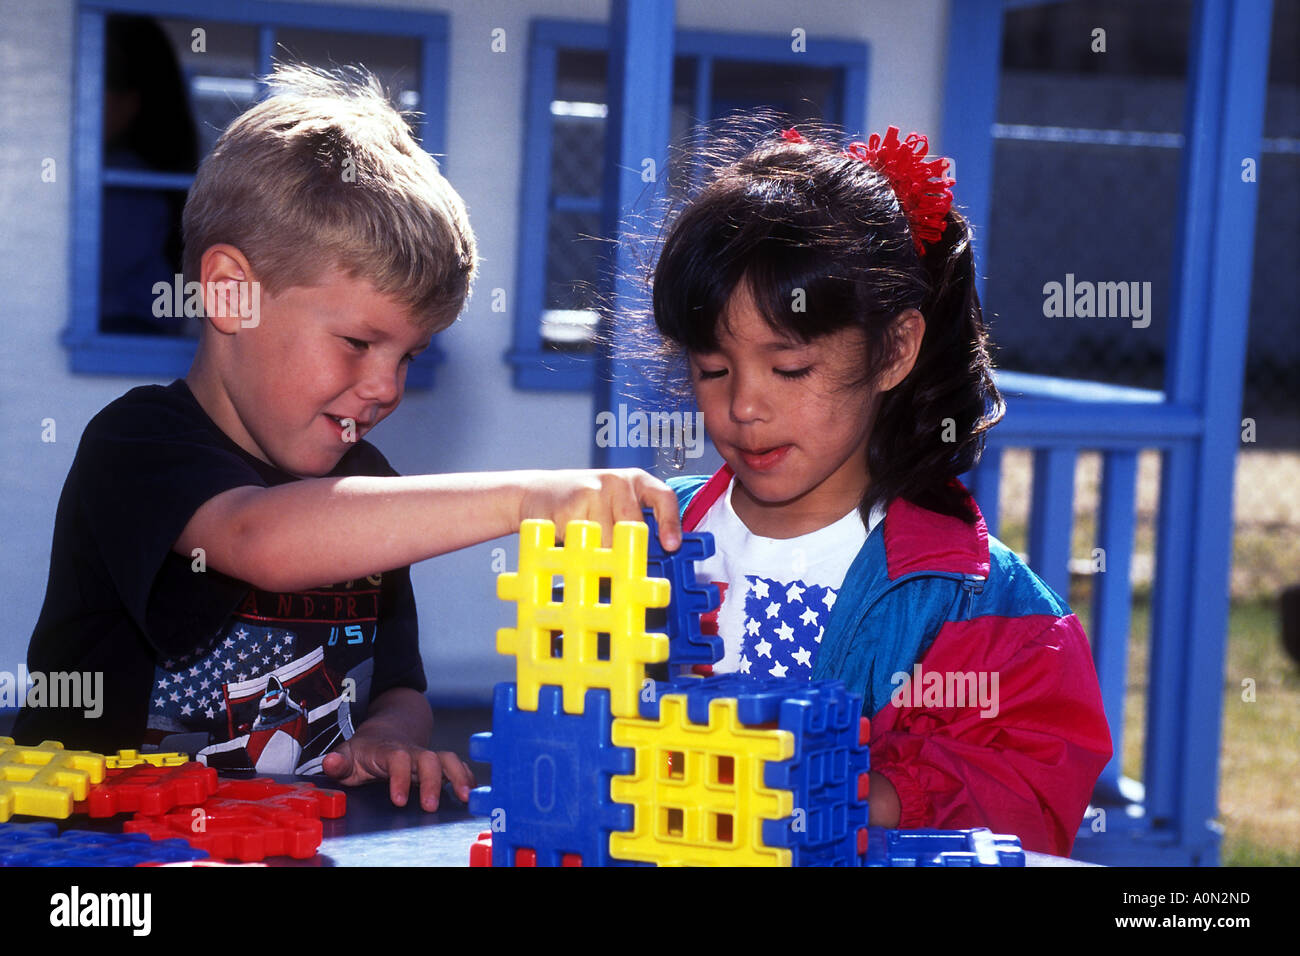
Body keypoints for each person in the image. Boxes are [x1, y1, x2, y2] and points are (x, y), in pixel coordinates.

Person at [16, 64, 681, 812]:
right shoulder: (137, 444)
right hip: (94, 844)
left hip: (290, 838)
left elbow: (397, 683)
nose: (387, 387)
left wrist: (391, 734)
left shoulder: (370, 485)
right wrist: (529, 496)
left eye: (408, 356)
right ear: (230, 293)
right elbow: (260, 540)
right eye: (359, 343)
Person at [650, 122, 1111, 856]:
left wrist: (878, 794)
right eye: (713, 368)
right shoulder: (650, 537)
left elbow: (1034, 782)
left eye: (790, 368)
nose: (743, 406)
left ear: (895, 350)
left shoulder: (976, 597)